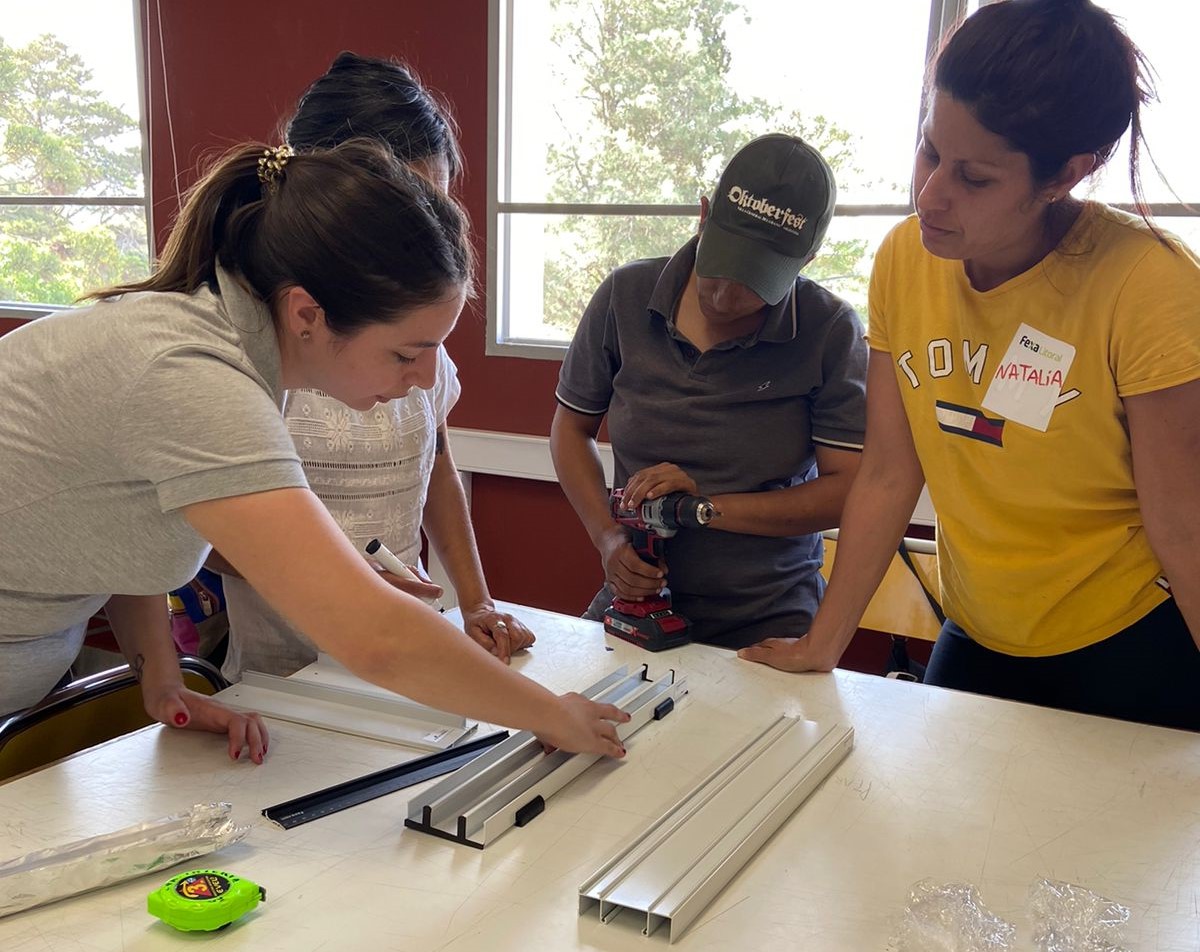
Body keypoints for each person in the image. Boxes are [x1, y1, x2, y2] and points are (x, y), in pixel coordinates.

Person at [0, 137, 630, 760]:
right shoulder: (192, 374)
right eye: (407, 353)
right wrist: (550, 713)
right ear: (308, 314)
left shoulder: (230, 342)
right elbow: (373, 634)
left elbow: (121, 511)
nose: (426, 378)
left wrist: (163, 683)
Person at [739, 0, 1200, 731]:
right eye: (928, 150)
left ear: (1068, 174)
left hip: (1128, 650)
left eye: (974, 177)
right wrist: (822, 643)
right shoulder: (902, 260)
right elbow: (890, 474)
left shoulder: (1149, 283)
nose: (930, 195)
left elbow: (1183, 523)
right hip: (977, 633)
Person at [215, 52, 534, 681]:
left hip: (396, 664)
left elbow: (435, 458)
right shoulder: (253, 343)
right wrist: (332, 575)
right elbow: (212, 526)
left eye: (438, 209)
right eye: (409, 217)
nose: (429, 244)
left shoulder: (413, 335)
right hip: (280, 679)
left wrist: (477, 601)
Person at [551, 134, 868, 650]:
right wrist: (609, 540)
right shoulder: (624, 296)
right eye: (718, 264)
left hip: (771, 618)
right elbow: (571, 428)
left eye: (754, 280)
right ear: (703, 214)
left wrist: (703, 509)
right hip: (636, 602)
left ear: (806, 258)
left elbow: (848, 489)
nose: (724, 295)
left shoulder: (829, 330)